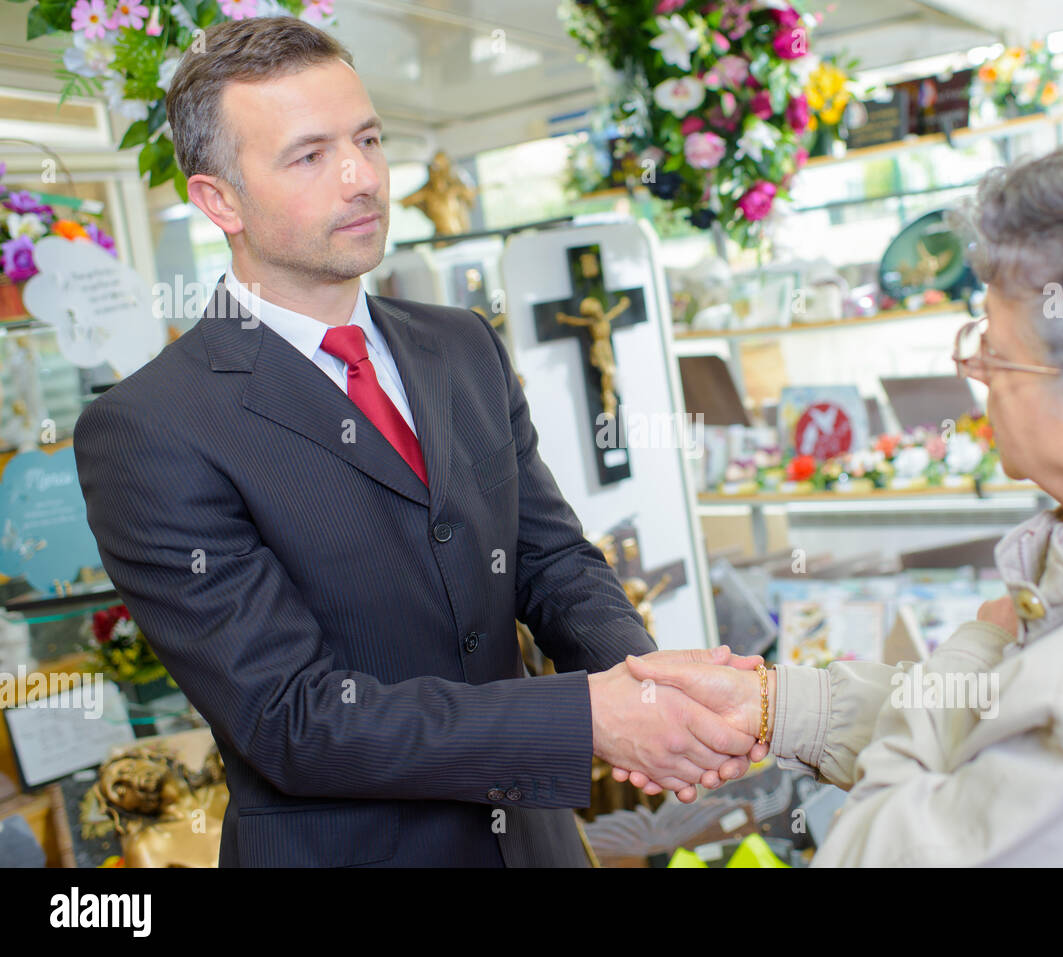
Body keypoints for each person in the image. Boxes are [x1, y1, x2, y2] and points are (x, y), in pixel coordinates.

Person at [72, 16, 760, 867]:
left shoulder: (461, 342)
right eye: (310, 155)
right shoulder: (149, 428)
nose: (362, 178)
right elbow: (294, 718)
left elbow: (551, 561)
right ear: (218, 199)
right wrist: (591, 717)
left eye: (367, 138)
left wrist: (657, 690)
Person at [620, 144, 1063, 865]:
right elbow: (991, 739)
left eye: (996, 353)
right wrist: (778, 708)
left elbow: (873, 848)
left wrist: (977, 645)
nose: (970, 371)